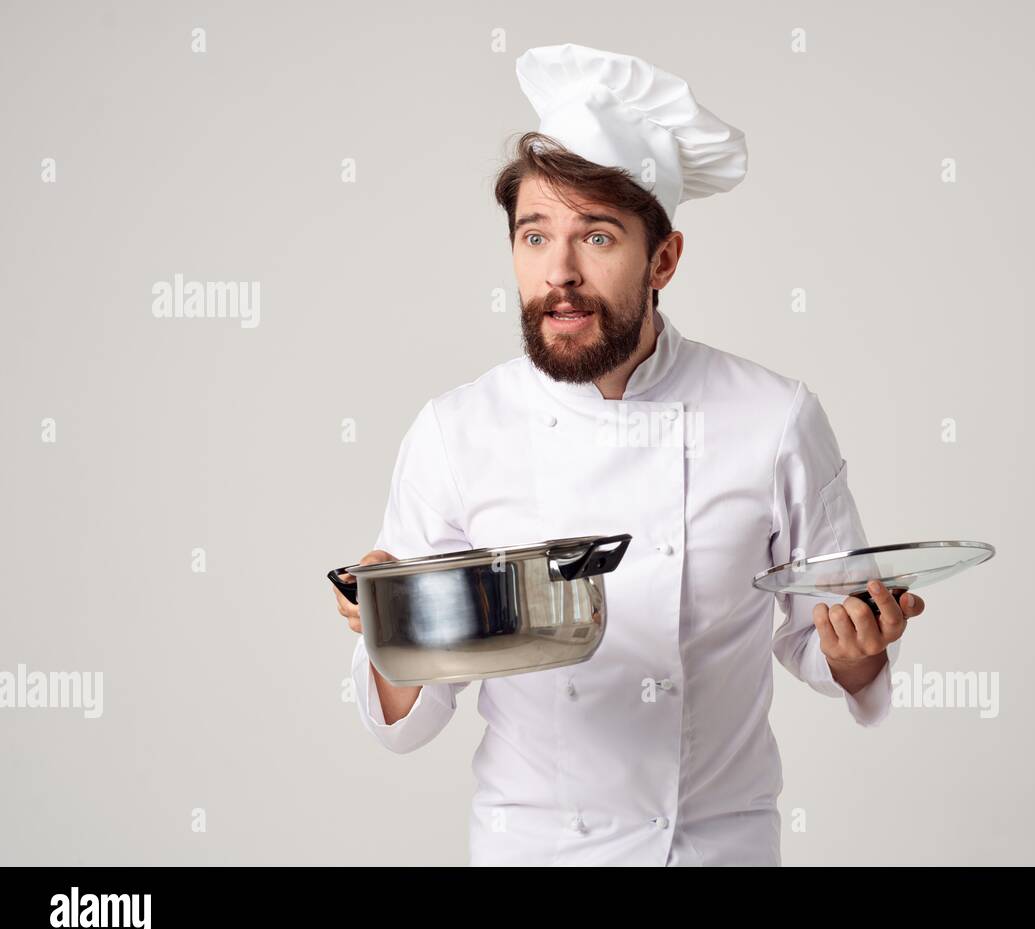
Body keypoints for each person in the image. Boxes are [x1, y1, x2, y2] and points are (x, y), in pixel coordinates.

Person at [330, 42, 925, 866]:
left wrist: (855, 653)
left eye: (597, 238)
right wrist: (396, 630)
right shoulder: (456, 431)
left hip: (715, 849)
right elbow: (408, 720)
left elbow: (818, 639)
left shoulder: (774, 418)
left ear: (664, 260)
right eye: (534, 236)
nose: (559, 273)